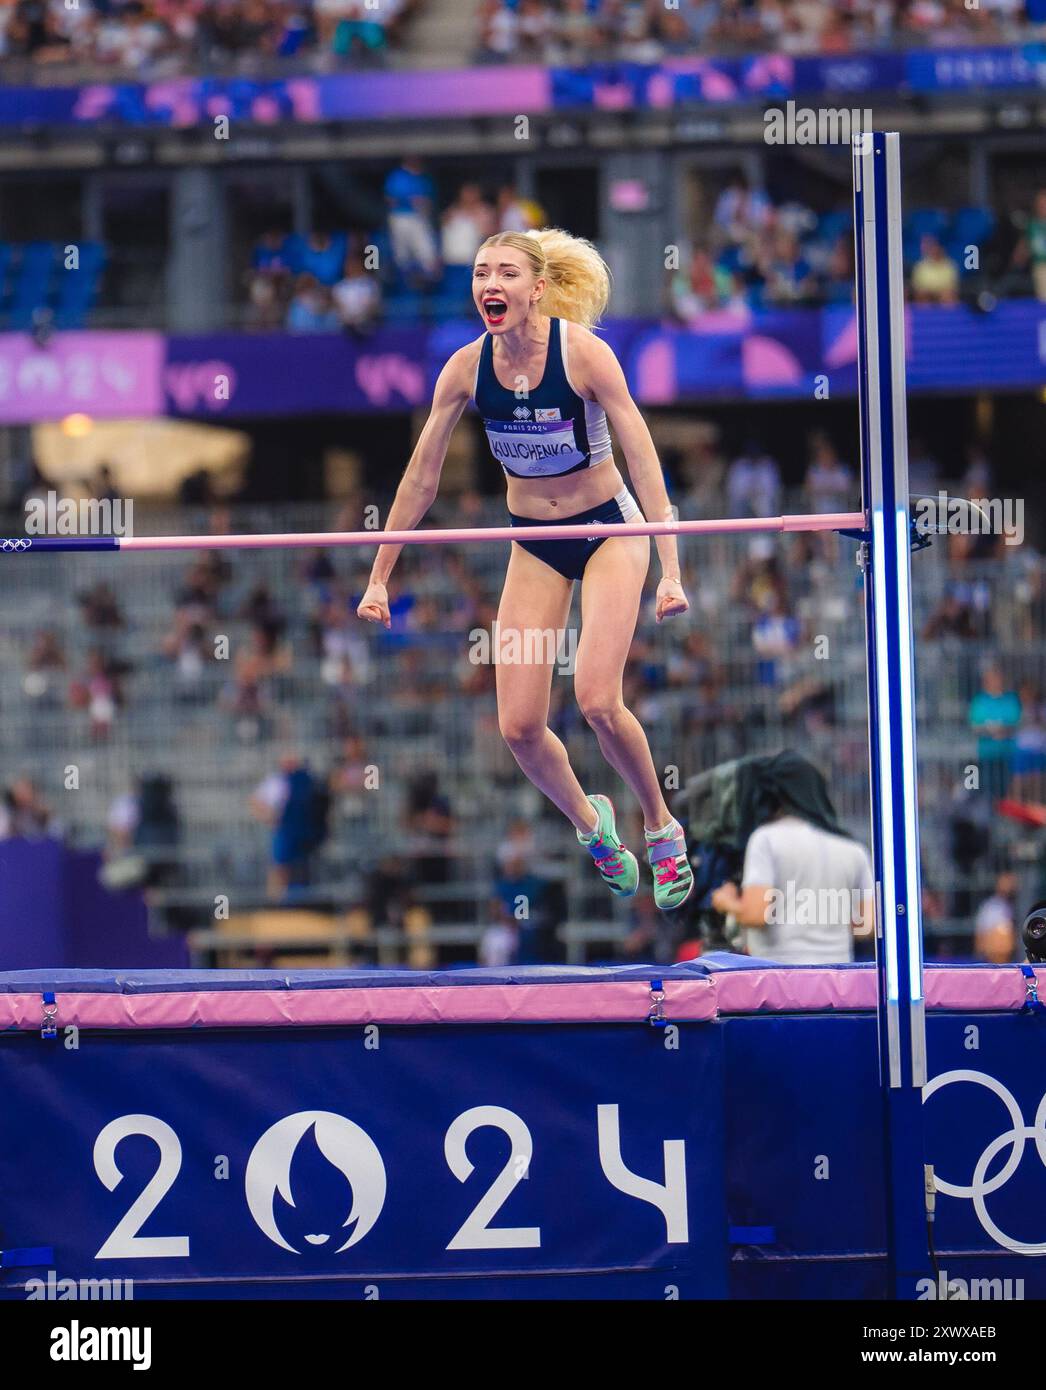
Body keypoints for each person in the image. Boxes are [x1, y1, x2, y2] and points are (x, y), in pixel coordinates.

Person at [357, 228, 694, 912]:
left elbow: (643, 458)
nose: (491, 283)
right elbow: (420, 480)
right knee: (518, 728)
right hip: (534, 541)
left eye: (506, 272)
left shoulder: (585, 355)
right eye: (481, 272)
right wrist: (378, 576)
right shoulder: (464, 369)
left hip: (608, 532)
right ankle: (594, 826)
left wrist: (671, 569)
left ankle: (661, 827)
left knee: (597, 700)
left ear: (537, 289)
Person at [711, 795, 874, 964]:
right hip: (837, 972)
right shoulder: (853, 848)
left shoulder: (766, 838)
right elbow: (867, 924)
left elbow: (755, 915)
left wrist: (726, 901)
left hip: (780, 972)